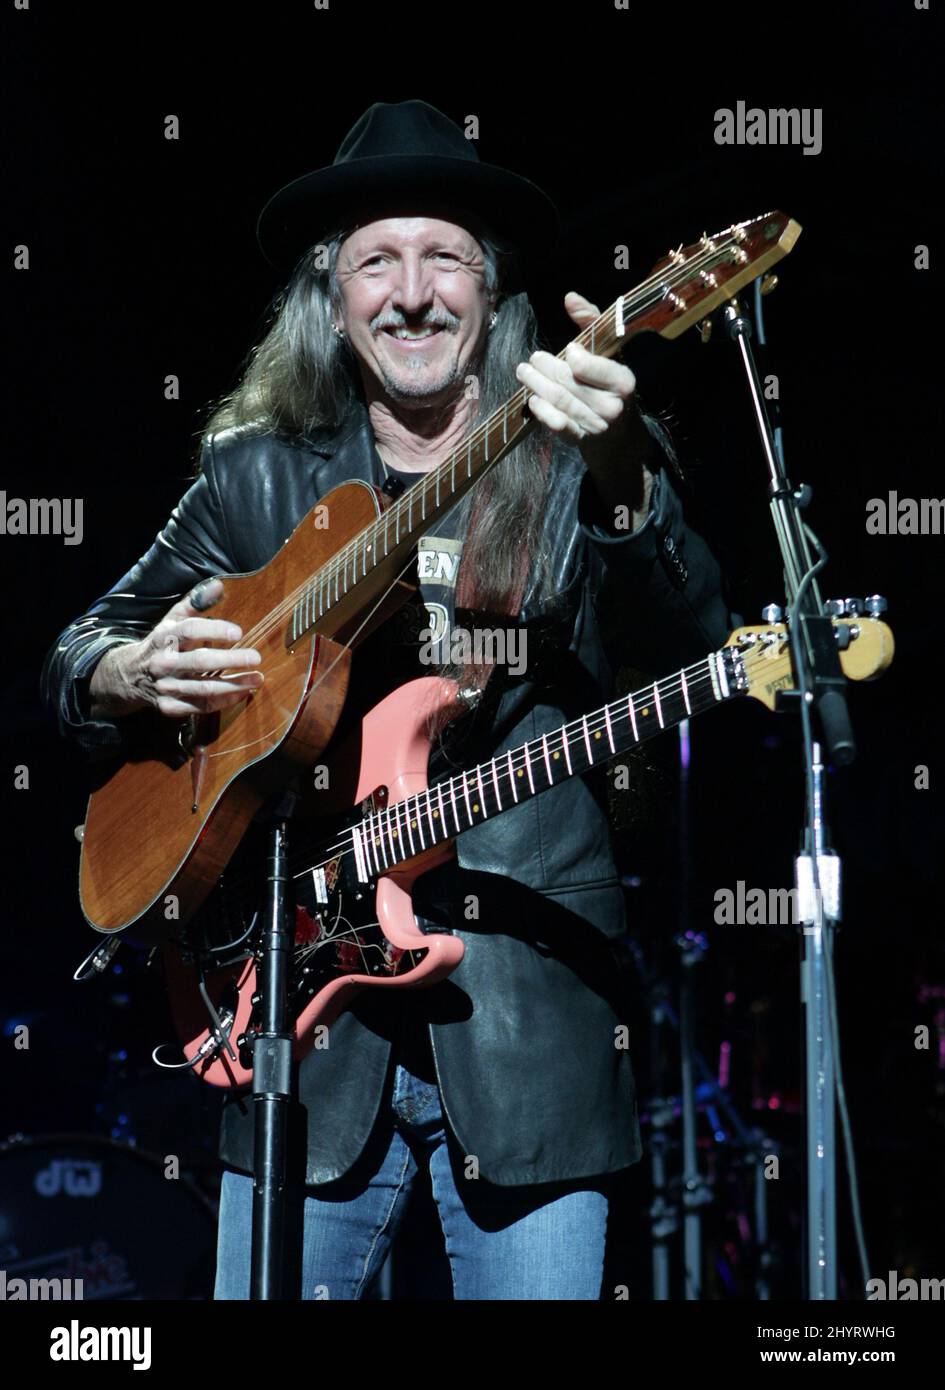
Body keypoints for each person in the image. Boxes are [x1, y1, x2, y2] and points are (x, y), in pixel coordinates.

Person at [42, 100, 737, 1300]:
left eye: (444, 259)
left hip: (530, 1030)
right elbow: (75, 652)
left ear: (494, 290)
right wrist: (127, 669)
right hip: (300, 1028)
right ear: (332, 297)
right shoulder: (254, 474)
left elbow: (695, 644)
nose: (412, 294)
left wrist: (623, 468)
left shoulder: (578, 449)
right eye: (377, 262)